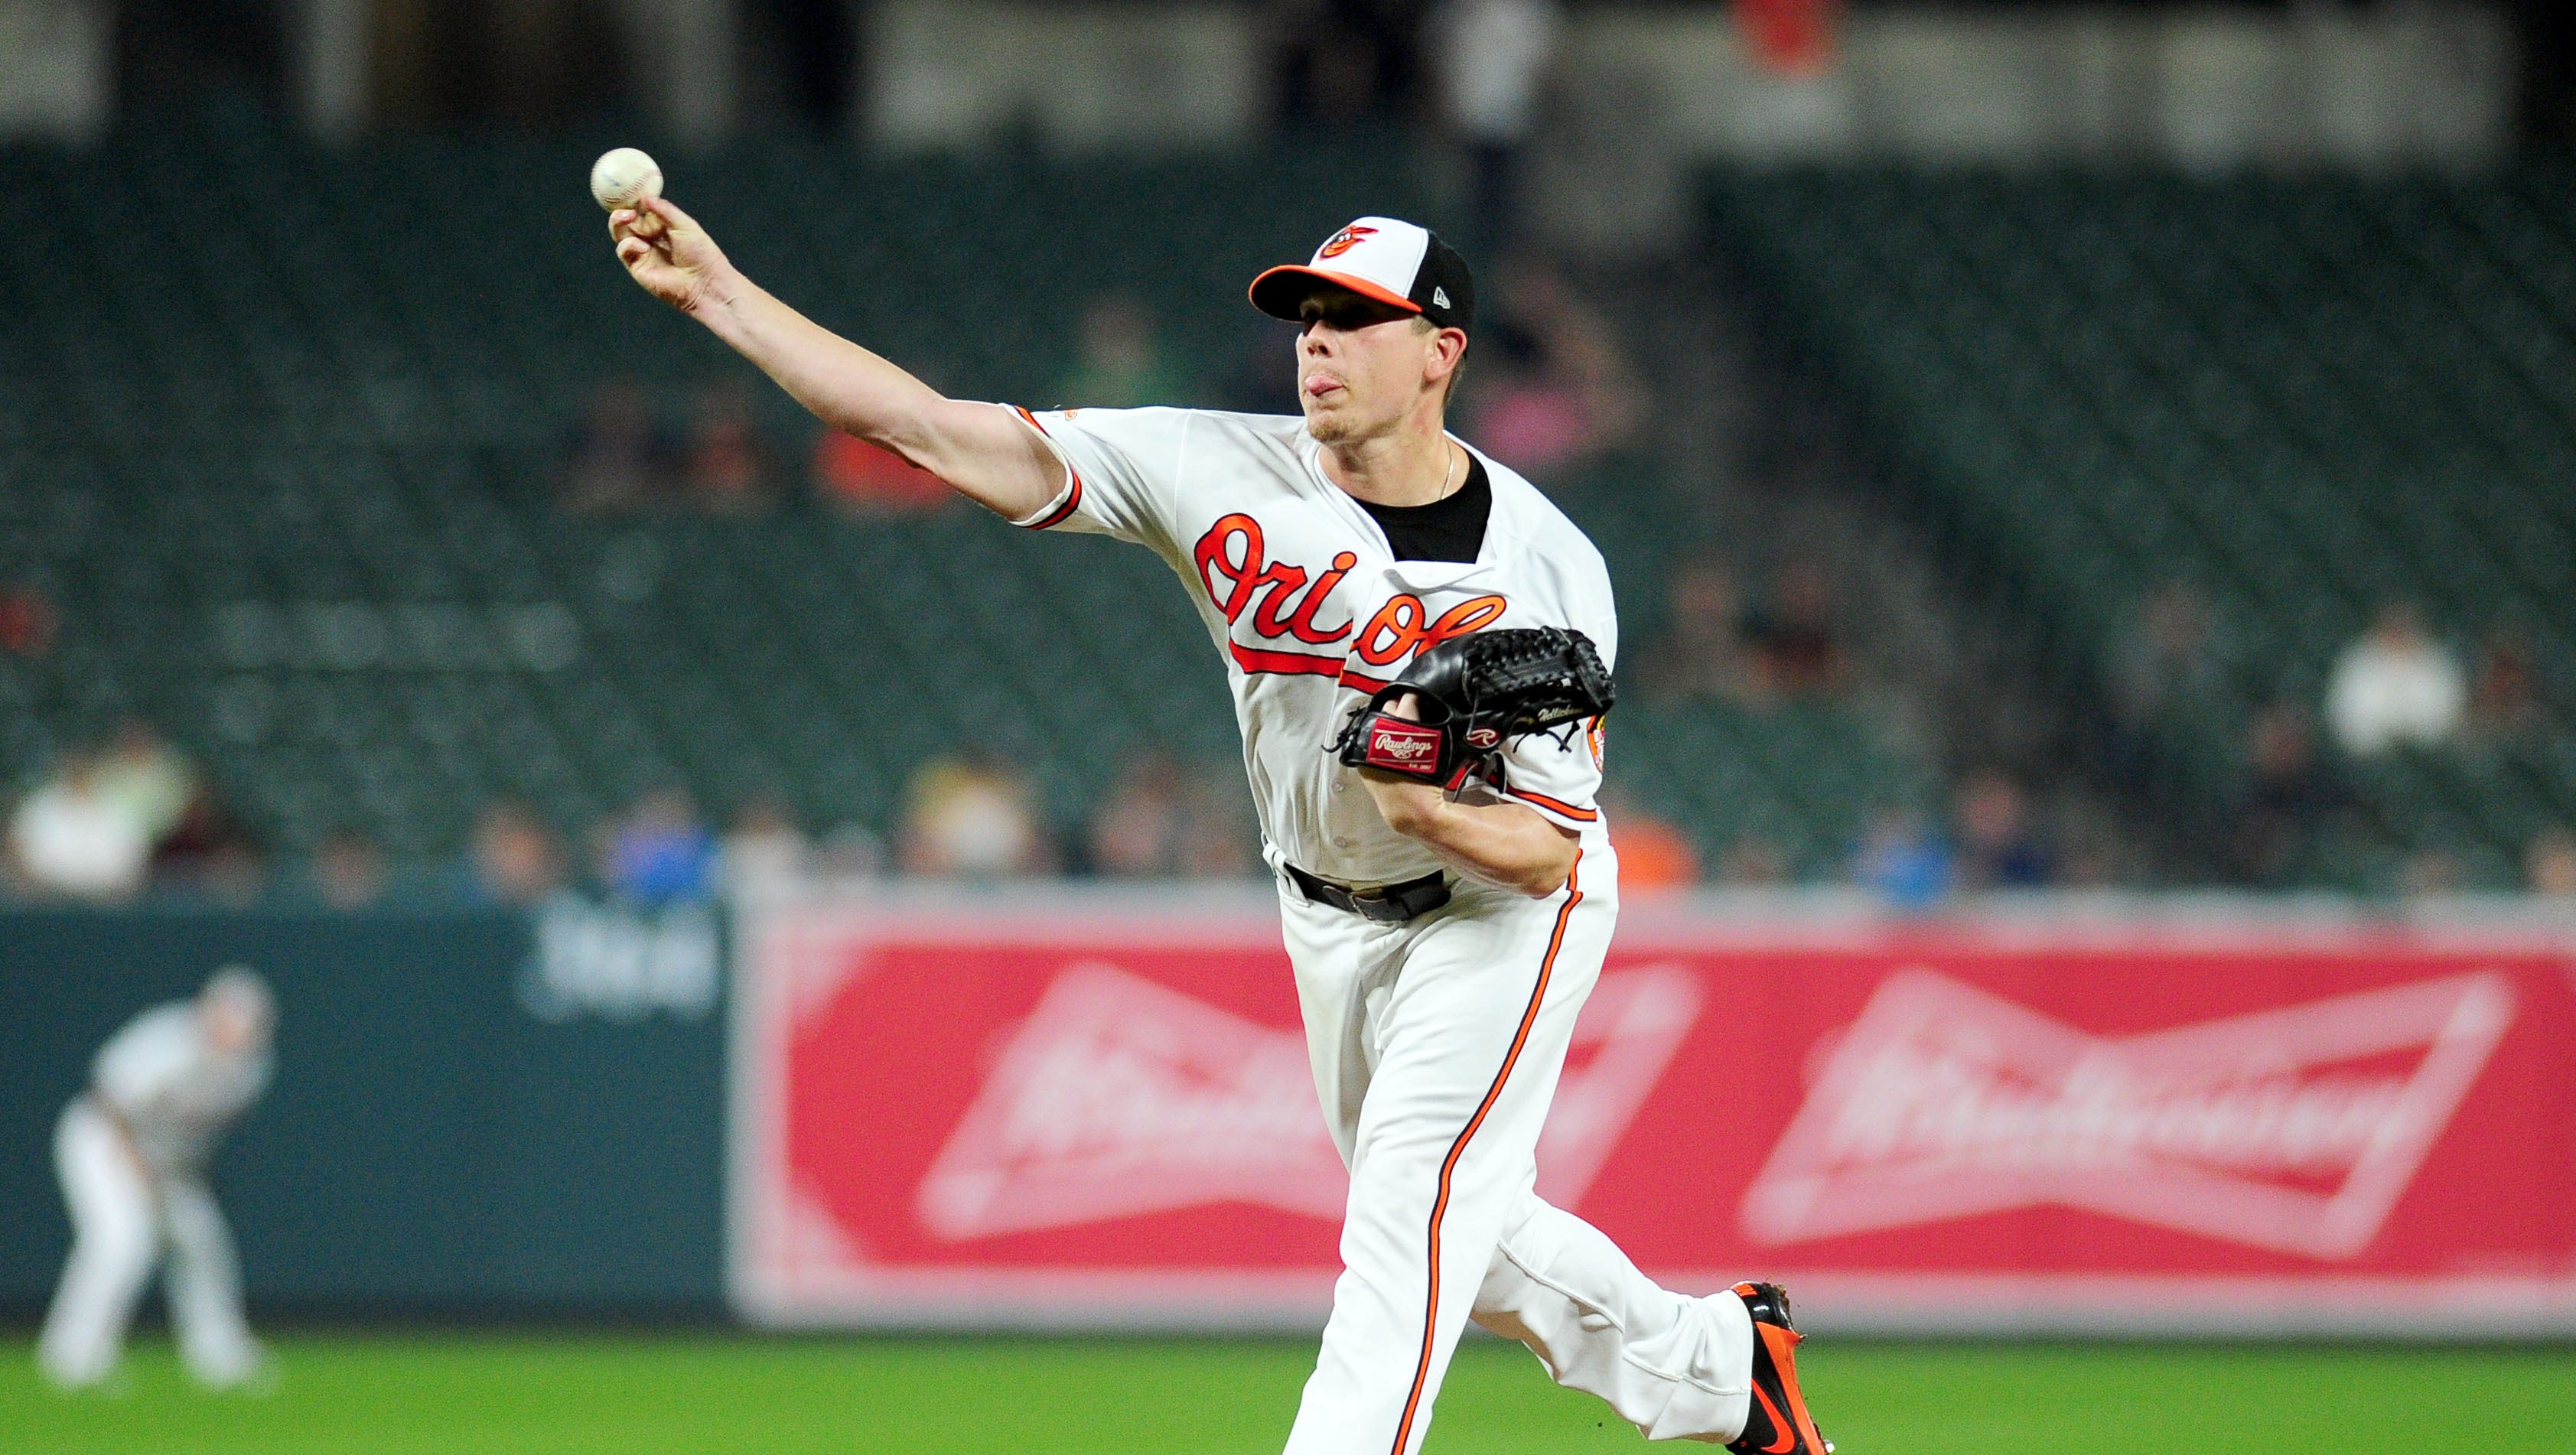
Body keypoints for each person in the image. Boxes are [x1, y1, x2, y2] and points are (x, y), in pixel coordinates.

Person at [607, 197, 1831, 1453]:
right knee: (1478, 1230)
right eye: (1309, 316)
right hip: (1324, 909)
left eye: (1357, 320)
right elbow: (921, 425)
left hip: (1495, 911)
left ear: (1440, 353)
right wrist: (720, 297)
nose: (1318, 342)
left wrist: (1418, 798)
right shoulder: (1211, 464)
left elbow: (1548, 850)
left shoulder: (1548, 566)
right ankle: (1719, 1372)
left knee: (1407, 1217)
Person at [38, 967, 275, 1390]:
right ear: (211, 1013)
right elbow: (109, 1101)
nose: (240, 1032)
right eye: (233, 1019)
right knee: (122, 1241)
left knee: (201, 1240)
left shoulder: (251, 1069)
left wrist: (173, 1175)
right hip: (102, 1143)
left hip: (165, 1160)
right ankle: (73, 1356)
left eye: (250, 1024)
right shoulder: (169, 1041)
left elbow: (201, 1135)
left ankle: (219, 1356)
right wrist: (136, 1170)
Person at [2325, 601, 2464, 757]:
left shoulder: (2436, 661)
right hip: (2370, 758)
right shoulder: (2357, 660)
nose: (2399, 633)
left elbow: (2444, 717)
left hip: (2428, 756)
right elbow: (2347, 719)